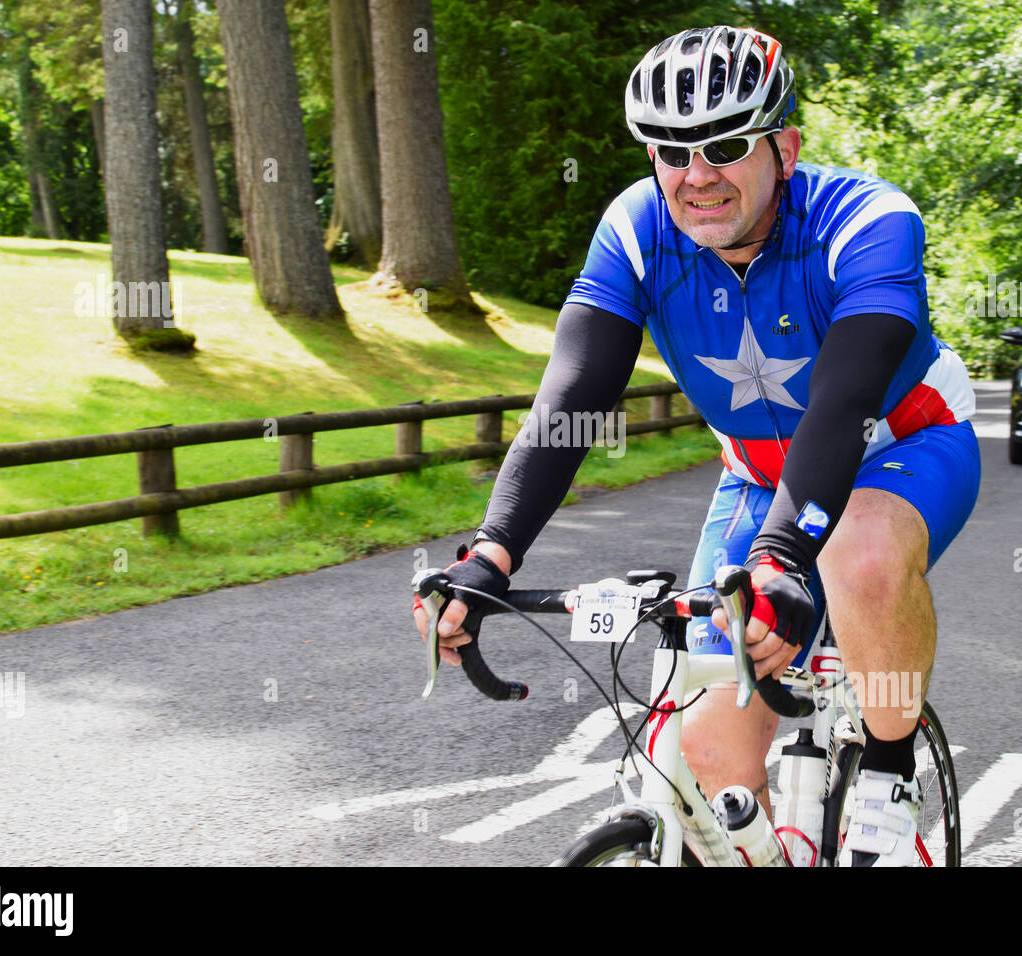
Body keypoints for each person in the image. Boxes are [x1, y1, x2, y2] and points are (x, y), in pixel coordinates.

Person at [413, 24, 980, 866]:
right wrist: (491, 554)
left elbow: (845, 399)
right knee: (709, 761)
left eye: (725, 144)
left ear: (783, 146)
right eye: (671, 151)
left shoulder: (869, 220)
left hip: (898, 445)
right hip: (758, 476)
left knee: (856, 555)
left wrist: (782, 557)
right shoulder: (639, 228)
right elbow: (572, 395)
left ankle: (890, 769)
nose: (697, 174)